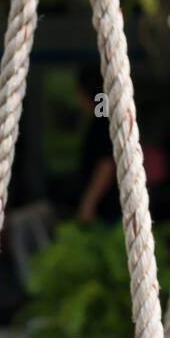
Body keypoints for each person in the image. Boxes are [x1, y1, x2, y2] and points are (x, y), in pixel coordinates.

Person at [75, 65, 119, 222]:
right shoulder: (105, 120)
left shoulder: (102, 124)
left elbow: (106, 165)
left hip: (107, 214)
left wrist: (88, 204)